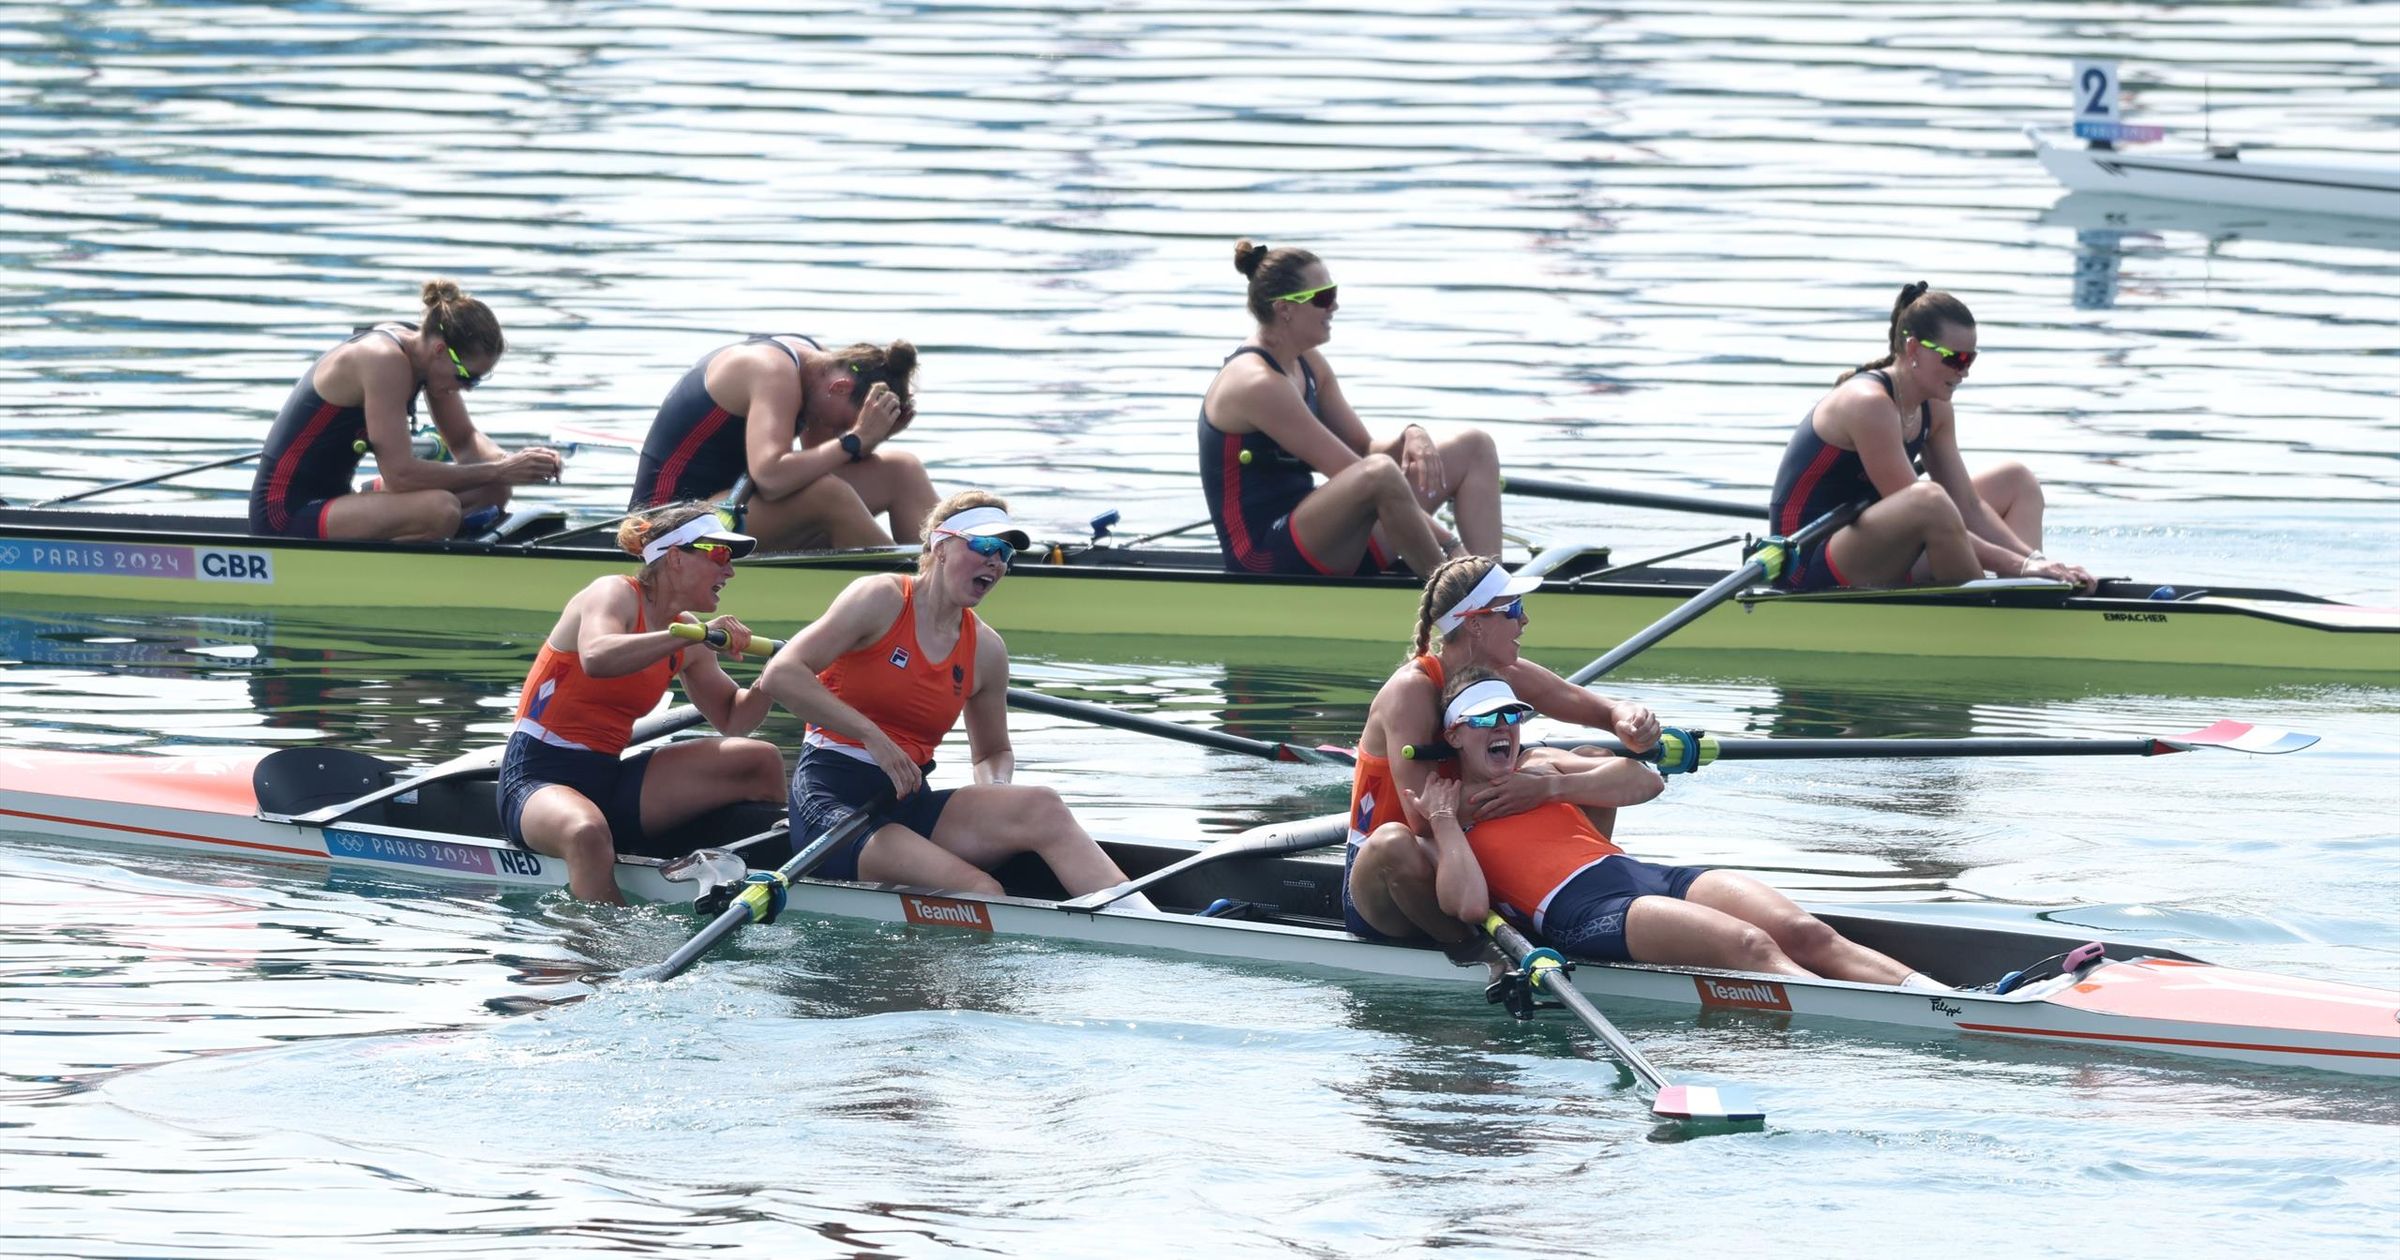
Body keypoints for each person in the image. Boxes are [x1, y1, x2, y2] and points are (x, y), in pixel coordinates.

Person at [1412, 671, 1943, 988]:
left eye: (1510, 715)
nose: (1502, 727)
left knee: (1808, 934)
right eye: (1484, 720)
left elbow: (1643, 781)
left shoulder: (1543, 762)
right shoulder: (1446, 805)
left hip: (1641, 877)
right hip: (1584, 913)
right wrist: (1442, 823)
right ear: (1456, 734)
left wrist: (1548, 789)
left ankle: (1940, 994)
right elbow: (1464, 905)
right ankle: (1880, 1011)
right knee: (1750, 945)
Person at [757, 491, 1156, 909]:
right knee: (981, 891)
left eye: (1004, 553)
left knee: (1041, 805)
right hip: (831, 797)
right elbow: (780, 675)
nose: (996, 562)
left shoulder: (986, 649)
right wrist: (873, 738)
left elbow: (993, 752)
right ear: (940, 546)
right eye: (984, 546)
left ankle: (1147, 920)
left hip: (908, 801)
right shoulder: (881, 598)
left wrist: (996, 791)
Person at [1343, 555, 1661, 949]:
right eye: (1513, 610)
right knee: (1396, 840)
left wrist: (1631, 721)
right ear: (1474, 623)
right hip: (1393, 876)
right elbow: (1422, 820)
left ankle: (1579, 894)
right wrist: (1536, 787)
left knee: (1592, 757)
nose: (1524, 621)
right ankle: (1474, 951)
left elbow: (1603, 710)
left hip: (1462, 852)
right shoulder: (1411, 693)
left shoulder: (1503, 671)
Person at [498, 502, 787, 903]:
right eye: (719, 555)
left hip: (609, 777)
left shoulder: (690, 636)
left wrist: (775, 674)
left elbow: (734, 719)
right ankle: (599, 955)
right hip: (536, 776)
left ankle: (761, 872)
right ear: (674, 558)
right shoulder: (614, 593)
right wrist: (693, 635)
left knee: (760, 761)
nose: (730, 571)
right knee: (586, 834)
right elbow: (598, 657)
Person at [1198, 239, 1502, 577]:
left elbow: (1364, 448)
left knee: (1475, 447)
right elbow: (1352, 470)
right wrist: (1449, 543)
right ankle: (1460, 594)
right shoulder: (1257, 384)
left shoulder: (1308, 363)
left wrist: (1410, 435)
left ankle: (1496, 589)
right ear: (1285, 309)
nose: (1335, 307)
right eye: (1324, 297)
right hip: (1264, 559)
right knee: (1380, 474)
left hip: (1322, 539)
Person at [1766, 283, 2094, 593]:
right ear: (1914, 349)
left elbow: (1967, 505)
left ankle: (2027, 591)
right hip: (1805, 562)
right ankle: (1990, 615)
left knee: (2016, 480)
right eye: (1955, 358)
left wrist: (2034, 561)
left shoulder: (1934, 407)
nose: (1964, 371)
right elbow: (1925, 508)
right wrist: (2019, 563)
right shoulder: (1869, 404)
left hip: (1878, 547)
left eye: (1971, 358)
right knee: (1929, 500)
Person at [249, 279, 563, 541]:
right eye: (467, 377)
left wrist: (519, 463)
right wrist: (501, 468)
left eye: (479, 380)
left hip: (338, 498)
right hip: (285, 514)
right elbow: (399, 476)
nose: (468, 388)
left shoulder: (426, 356)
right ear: (441, 351)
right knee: (440, 509)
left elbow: (465, 440)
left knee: (493, 490)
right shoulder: (382, 360)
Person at [630, 333, 937, 552]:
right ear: (840, 387)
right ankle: (918, 600)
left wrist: (875, 437)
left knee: (901, 470)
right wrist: (856, 438)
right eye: (846, 423)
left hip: (733, 502)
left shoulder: (819, 365)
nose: (842, 430)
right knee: (829, 496)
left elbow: (818, 460)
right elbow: (772, 478)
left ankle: (947, 573)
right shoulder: (772, 371)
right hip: (665, 522)